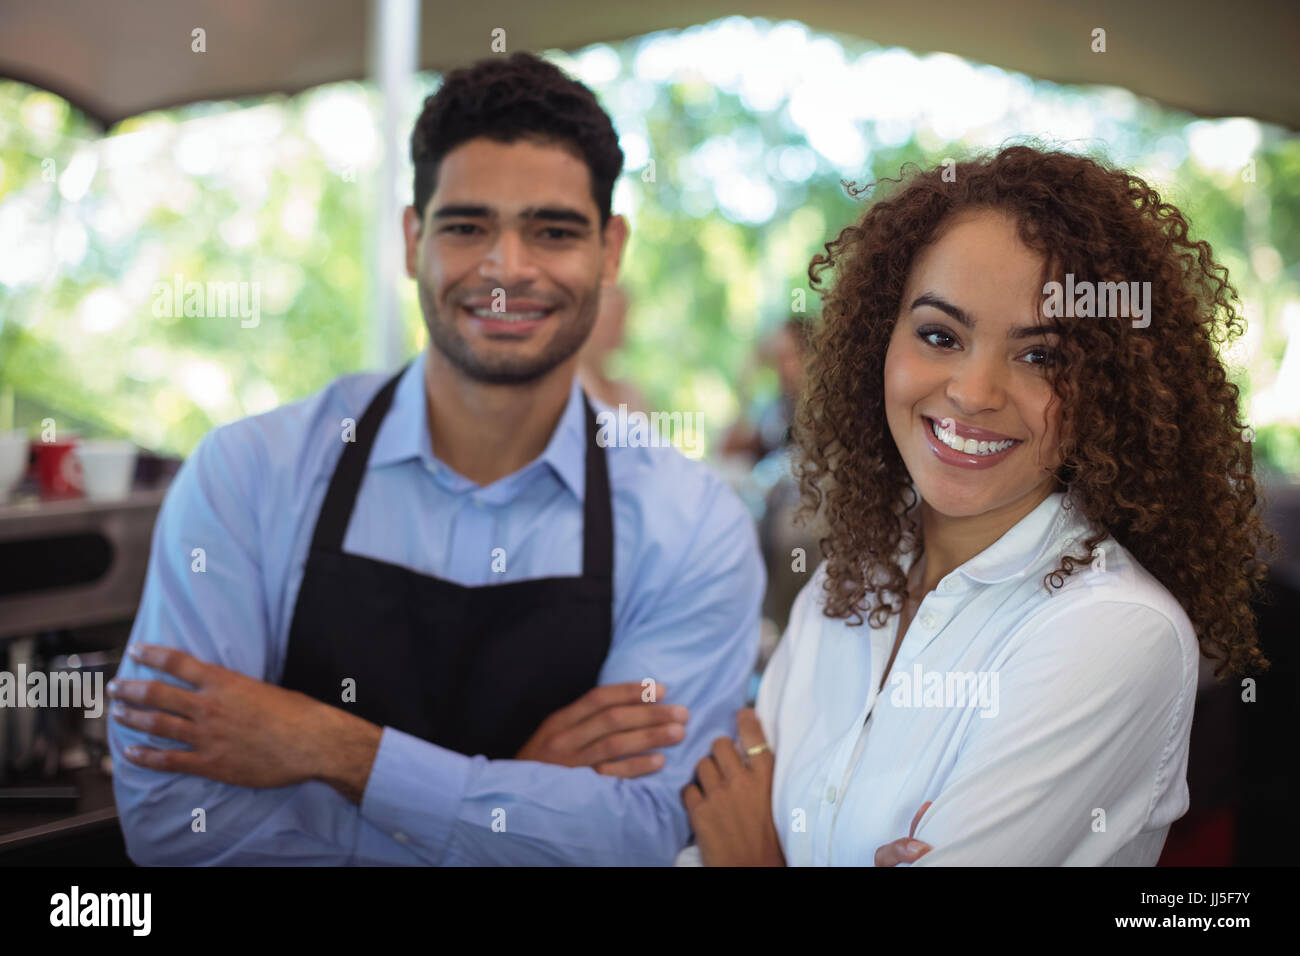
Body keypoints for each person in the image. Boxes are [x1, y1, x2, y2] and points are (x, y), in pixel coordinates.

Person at [106, 52, 764, 865]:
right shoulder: (247, 475)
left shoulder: (694, 528)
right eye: (467, 226)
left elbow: (632, 835)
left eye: (552, 231)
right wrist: (512, 798)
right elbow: (173, 820)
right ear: (413, 238)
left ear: (610, 250)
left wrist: (333, 748)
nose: (507, 270)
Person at [679, 145, 1276, 866]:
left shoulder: (1114, 631)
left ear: (1108, 389)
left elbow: (732, 839)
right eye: (940, 335)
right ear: (879, 343)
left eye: (1041, 356)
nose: (973, 391)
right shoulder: (846, 587)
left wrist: (755, 858)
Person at [577, 282, 647, 412]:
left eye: (621, 318)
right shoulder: (571, 387)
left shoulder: (629, 394)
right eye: (608, 320)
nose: (617, 329)